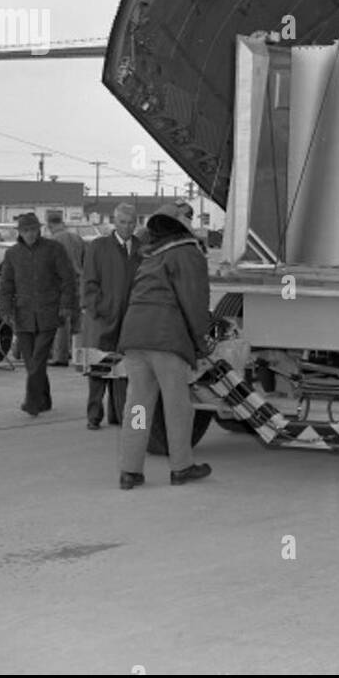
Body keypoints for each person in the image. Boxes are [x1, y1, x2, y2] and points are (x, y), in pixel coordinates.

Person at [117, 203, 212, 489]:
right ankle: (181, 467)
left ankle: (129, 471)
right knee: (177, 406)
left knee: (137, 406)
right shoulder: (188, 254)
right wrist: (201, 340)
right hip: (166, 339)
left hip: (134, 337)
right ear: (182, 226)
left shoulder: (151, 256)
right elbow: (194, 301)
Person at [0, 212, 78, 417]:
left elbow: (68, 279)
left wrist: (66, 305)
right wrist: (5, 310)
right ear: (19, 232)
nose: (30, 234)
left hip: (49, 312)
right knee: (31, 362)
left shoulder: (54, 249)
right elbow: (6, 285)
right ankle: (44, 399)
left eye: (33, 230)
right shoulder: (13, 254)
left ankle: (31, 402)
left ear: (40, 229)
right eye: (25, 231)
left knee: (38, 359)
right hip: (23, 314)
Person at [81, 202, 142, 430]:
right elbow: (88, 282)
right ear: (114, 223)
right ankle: (93, 415)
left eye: (131, 223)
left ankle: (121, 415)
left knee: (128, 369)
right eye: (123, 222)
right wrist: (98, 308)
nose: (127, 227)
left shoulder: (141, 249)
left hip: (131, 320)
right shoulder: (98, 247)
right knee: (99, 367)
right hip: (104, 318)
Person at [44, 209, 86, 367]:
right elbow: (85, 260)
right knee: (77, 322)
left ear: (49, 224)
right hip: (78, 281)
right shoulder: (77, 238)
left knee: (61, 322)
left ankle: (60, 356)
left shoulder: (53, 241)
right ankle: (77, 355)